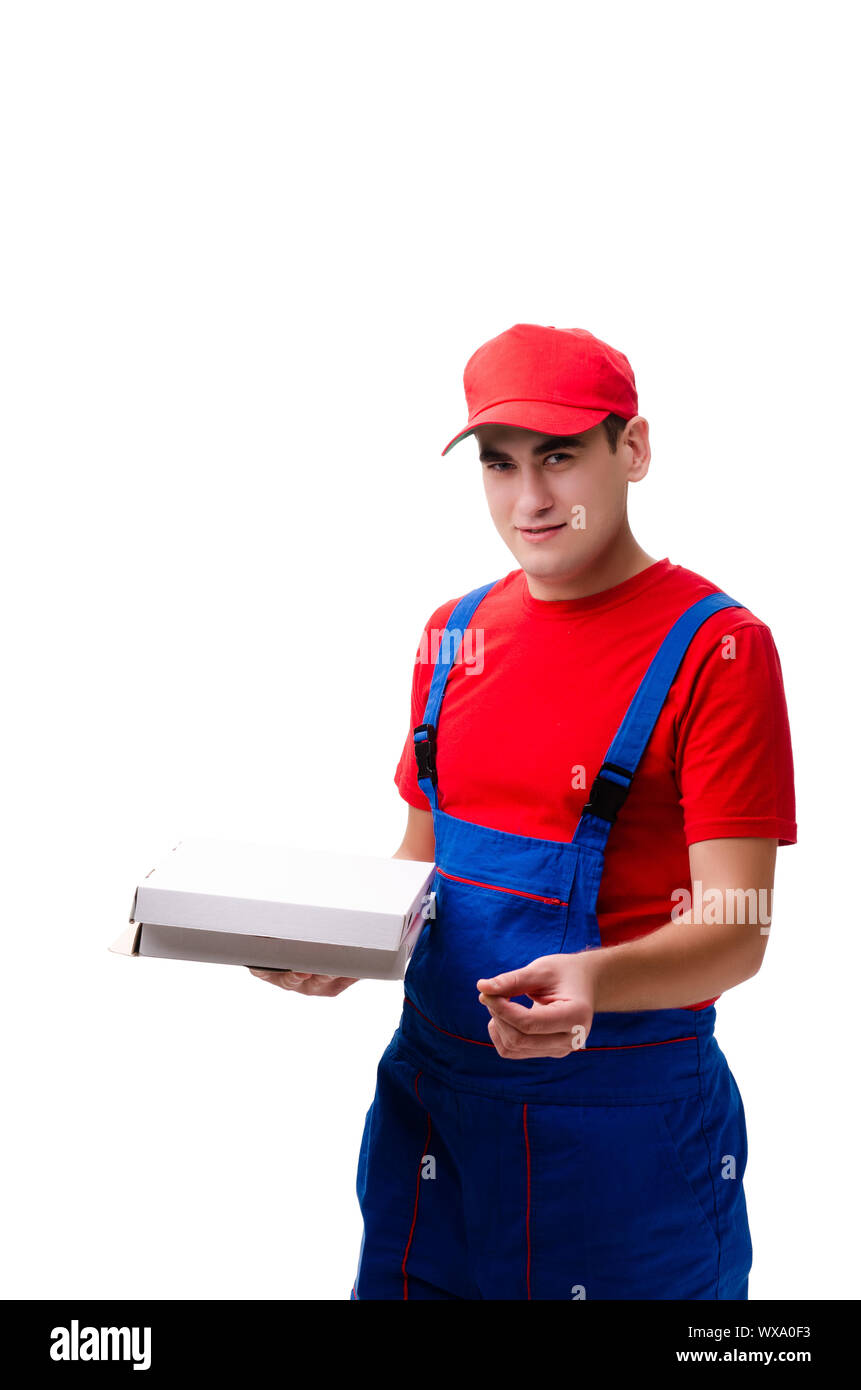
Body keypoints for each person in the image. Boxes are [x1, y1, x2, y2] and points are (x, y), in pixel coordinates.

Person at [252, 323, 796, 1300]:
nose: (530, 499)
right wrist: (345, 944)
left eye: (560, 457)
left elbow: (737, 929)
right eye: (501, 465)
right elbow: (422, 859)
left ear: (631, 449)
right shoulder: (452, 632)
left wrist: (595, 976)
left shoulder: (718, 649)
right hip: (435, 1116)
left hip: (623, 1139)